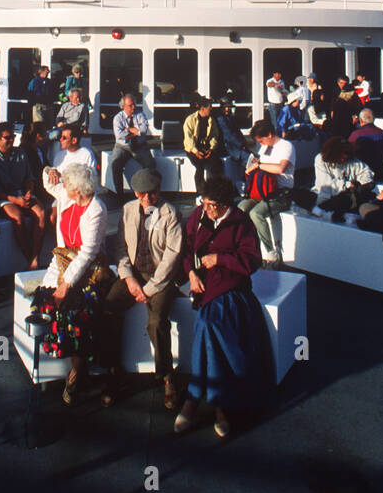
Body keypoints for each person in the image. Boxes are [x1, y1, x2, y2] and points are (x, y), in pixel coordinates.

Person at [175, 176, 271, 439]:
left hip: (230, 289)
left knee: (207, 325)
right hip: (202, 287)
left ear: (224, 204)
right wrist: (191, 274)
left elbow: (251, 262)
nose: (205, 209)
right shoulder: (198, 216)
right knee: (211, 328)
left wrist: (220, 258)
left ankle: (193, 400)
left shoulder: (241, 223)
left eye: (211, 205)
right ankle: (220, 407)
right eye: (203, 203)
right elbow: (186, 252)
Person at [99, 168, 183, 411]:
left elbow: (172, 256)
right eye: (142, 194)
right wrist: (129, 280)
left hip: (161, 278)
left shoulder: (171, 214)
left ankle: (166, 376)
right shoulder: (127, 210)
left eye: (153, 194)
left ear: (159, 190)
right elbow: (121, 250)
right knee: (108, 309)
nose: (148, 199)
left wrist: (149, 288)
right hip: (134, 275)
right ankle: (114, 372)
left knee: (156, 322)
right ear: (136, 193)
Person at [30, 163, 110, 405]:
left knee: (76, 309)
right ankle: (56, 359)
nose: (62, 188)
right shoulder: (68, 195)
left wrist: (66, 284)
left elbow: (87, 254)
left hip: (87, 270)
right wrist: (48, 168)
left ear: (78, 190)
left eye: (67, 185)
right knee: (43, 300)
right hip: (62, 260)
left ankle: (77, 367)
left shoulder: (96, 209)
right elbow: (47, 181)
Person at [0, 122, 47, 267]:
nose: (11, 140)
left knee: (41, 213)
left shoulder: (20, 153)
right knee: (18, 217)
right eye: (7, 137)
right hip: (3, 198)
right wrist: (16, 200)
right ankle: (30, 258)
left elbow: (29, 178)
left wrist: (29, 192)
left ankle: (35, 258)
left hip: (22, 194)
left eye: (13, 136)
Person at [238, 119, 295, 265]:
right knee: (240, 209)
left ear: (269, 135)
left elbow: (280, 168)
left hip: (281, 193)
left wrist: (259, 166)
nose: (260, 144)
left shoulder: (286, 146)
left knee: (256, 213)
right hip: (263, 190)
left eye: (261, 140)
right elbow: (259, 165)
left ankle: (271, 251)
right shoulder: (264, 148)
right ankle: (247, 245)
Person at [294, 137, 377, 223]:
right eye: (341, 157)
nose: (343, 160)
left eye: (345, 158)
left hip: (347, 197)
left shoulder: (353, 161)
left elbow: (366, 173)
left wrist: (361, 183)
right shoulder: (320, 159)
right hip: (325, 197)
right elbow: (325, 184)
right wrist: (347, 185)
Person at [111, 93, 156, 198]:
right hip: (122, 147)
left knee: (150, 165)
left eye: (134, 104)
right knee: (115, 165)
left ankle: (148, 191)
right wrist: (135, 131)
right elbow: (119, 135)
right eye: (130, 105)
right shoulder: (117, 118)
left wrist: (128, 130)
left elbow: (144, 130)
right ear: (123, 106)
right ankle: (119, 195)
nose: (133, 107)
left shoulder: (140, 114)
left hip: (140, 145)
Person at [183, 97, 223, 194]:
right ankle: (200, 193)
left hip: (205, 147)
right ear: (202, 109)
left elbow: (214, 135)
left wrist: (211, 149)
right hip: (192, 149)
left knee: (216, 164)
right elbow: (188, 138)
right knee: (199, 165)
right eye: (210, 107)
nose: (211, 109)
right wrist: (195, 151)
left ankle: (215, 190)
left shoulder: (211, 120)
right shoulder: (190, 120)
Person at [348, 109, 383, 180]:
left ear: (361, 120)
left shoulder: (356, 135)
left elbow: (348, 151)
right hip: (381, 172)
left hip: (362, 173)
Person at [217, 98, 251, 188]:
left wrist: (244, 142)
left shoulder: (230, 118)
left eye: (228, 107)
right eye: (225, 107)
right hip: (229, 148)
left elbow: (237, 132)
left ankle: (248, 185)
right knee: (250, 160)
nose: (227, 109)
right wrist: (241, 145)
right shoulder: (220, 119)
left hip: (236, 147)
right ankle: (249, 185)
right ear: (221, 108)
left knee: (253, 158)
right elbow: (228, 135)